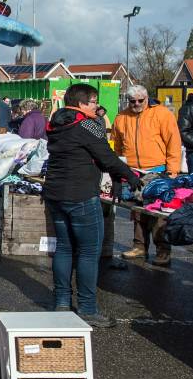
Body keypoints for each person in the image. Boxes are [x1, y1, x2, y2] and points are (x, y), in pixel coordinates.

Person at [44, 83, 142, 327]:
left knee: (65, 248)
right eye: (93, 102)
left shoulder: (56, 122)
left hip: (55, 193)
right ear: (81, 104)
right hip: (80, 194)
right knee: (89, 252)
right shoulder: (86, 125)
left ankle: (62, 302)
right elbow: (107, 156)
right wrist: (130, 176)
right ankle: (87, 308)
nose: (96, 106)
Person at [113, 85, 183, 266]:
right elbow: (118, 146)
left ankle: (162, 250)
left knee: (159, 213)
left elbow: (173, 142)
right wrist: (120, 169)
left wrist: (173, 170)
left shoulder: (162, 114)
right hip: (133, 171)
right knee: (137, 211)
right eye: (132, 101)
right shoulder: (121, 117)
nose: (136, 104)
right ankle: (139, 246)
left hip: (158, 170)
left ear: (147, 98)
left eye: (140, 101)